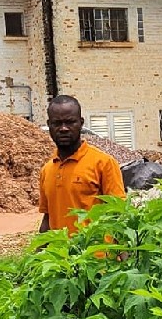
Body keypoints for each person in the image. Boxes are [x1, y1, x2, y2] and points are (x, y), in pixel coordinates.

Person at [37, 95, 125, 234]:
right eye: (57, 123)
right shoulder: (47, 170)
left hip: (94, 254)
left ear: (81, 123)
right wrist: (37, 254)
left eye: (70, 122)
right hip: (60, 254)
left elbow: (118, 215)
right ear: (49, 125)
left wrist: (125, 254)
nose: (63, 128)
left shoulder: (103, 163)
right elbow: (48, 218)